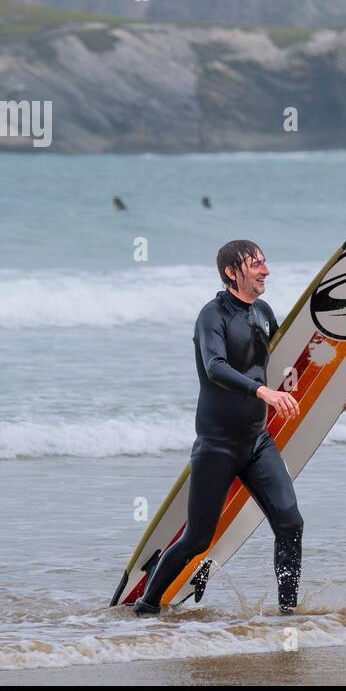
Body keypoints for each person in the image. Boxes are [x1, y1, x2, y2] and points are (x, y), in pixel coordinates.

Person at [132, 240, 304, 616]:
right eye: (256, 264)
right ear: (232, 273)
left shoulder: (263, 312)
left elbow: (274, 365)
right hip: (218, 445)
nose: (265, 271)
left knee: (291, 523)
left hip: (257, 441)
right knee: (197, 539)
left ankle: (289, 614)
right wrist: (264, 392)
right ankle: (147, 608)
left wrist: (300, 388)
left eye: (265, 262)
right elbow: (215, 366)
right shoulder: (213, 316)